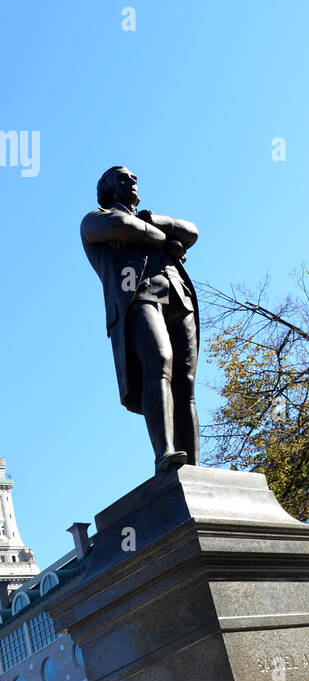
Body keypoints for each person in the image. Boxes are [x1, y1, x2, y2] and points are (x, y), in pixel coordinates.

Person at [81, 167, 201, 472]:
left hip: (178, 295)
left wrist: (155, 222)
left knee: (185, 384)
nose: (131, 180)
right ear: (107, 189)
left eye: (134, 177)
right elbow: (122, 224)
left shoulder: (148, 217)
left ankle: (195, 467)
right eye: (122, 178)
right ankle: (165, 454)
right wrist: (164, 241)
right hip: (137, 294)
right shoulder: (95, 219)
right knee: (159, 361)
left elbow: (192, 232)